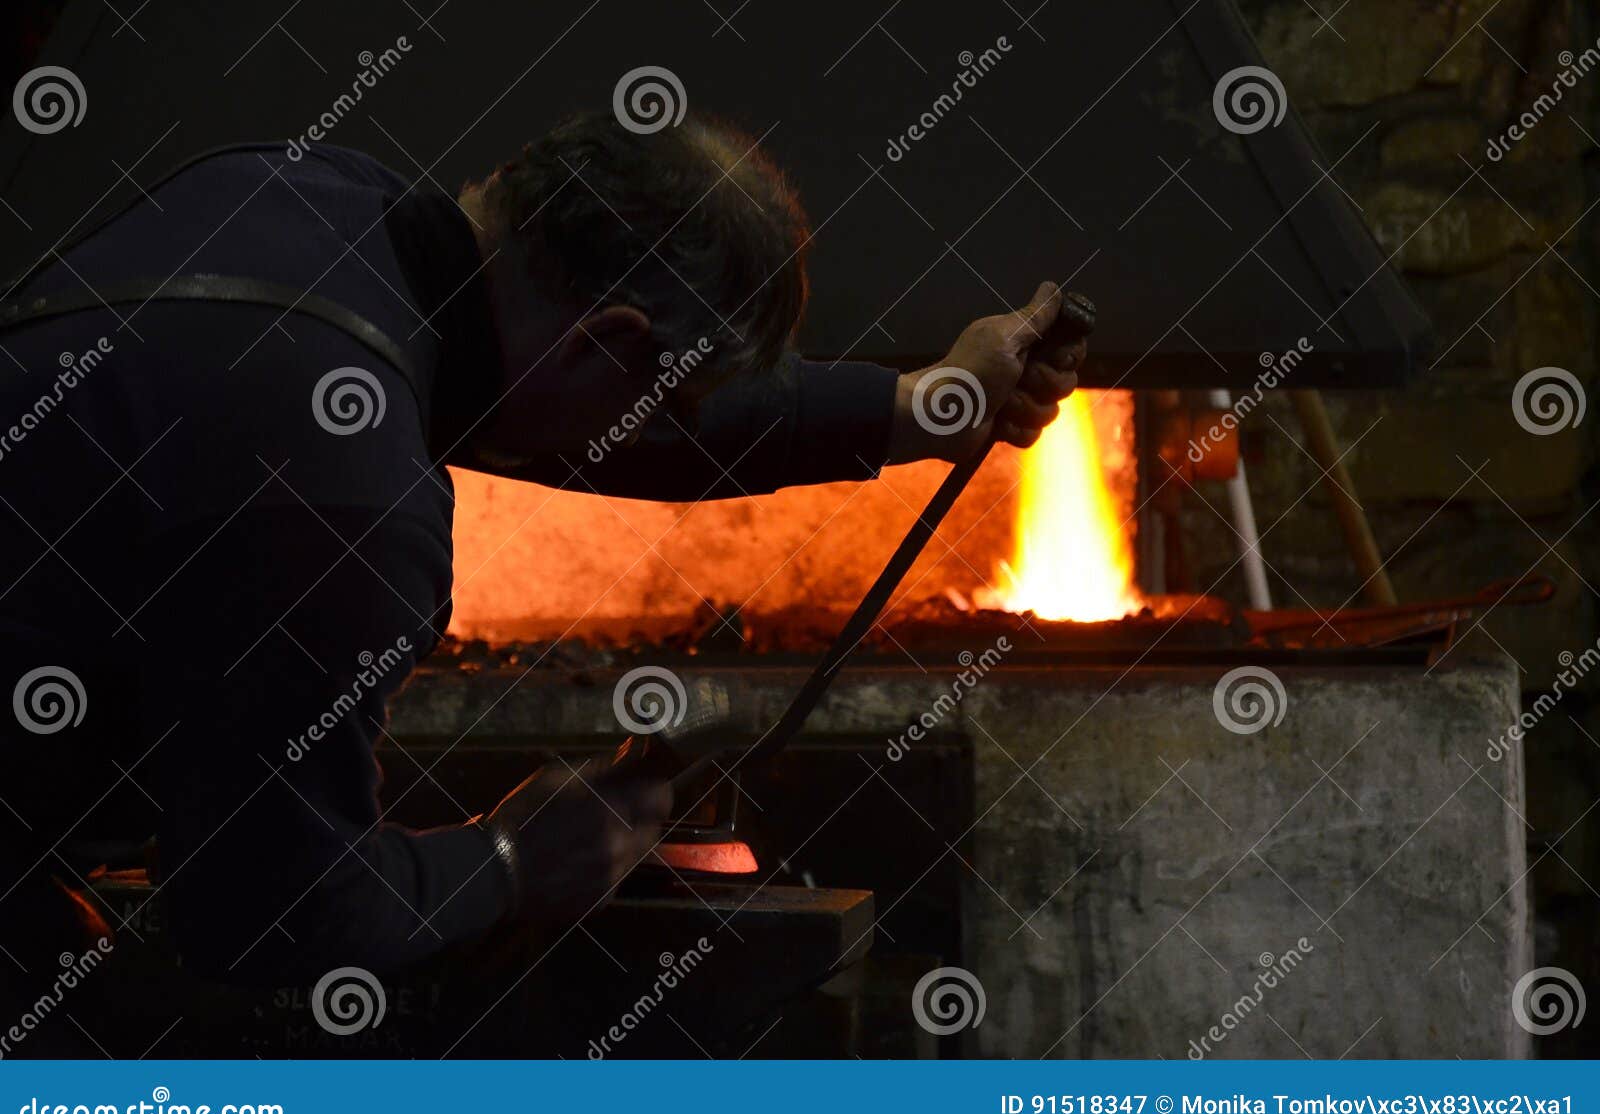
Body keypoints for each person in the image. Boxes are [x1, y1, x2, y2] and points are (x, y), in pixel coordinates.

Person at [0, 112, 1087, 1004]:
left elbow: (584, 406)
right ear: (612, 346)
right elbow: (268, 917)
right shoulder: (349, 502)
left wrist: (921, 406)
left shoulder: (295, 191)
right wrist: (513, 858)